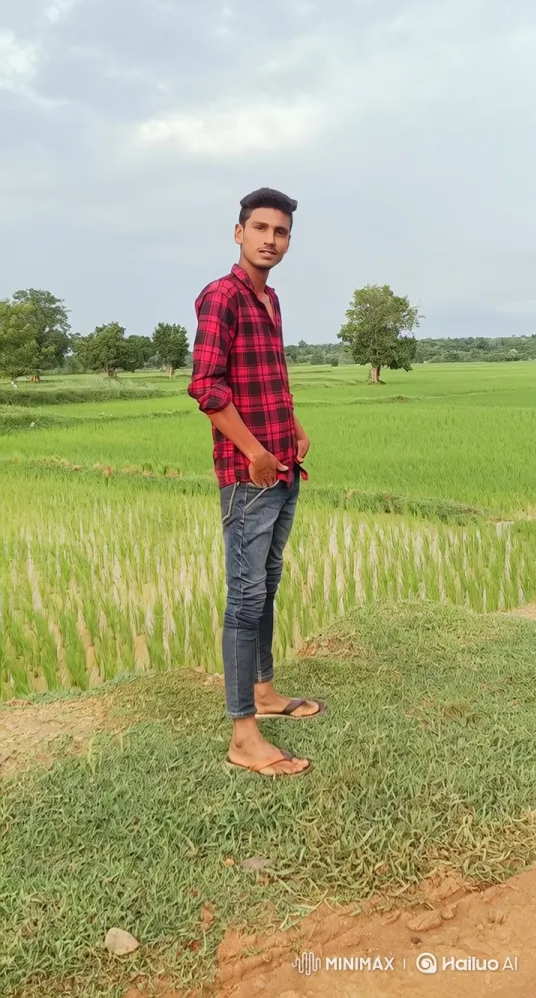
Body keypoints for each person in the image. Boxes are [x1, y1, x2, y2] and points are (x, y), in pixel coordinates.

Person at [187, 187, 326, 777]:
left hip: (282, 466)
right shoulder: (222, 296)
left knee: (265, 584)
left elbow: (268, 375)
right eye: (261, 228)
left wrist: (291, 427)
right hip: (249, 476)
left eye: (282, 231)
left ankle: (265, 694)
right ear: (238, 232)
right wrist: (255, 452)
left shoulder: (269, 300)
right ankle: (244, 734)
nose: (272, 239)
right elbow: (207, 387)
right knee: (244, 598)